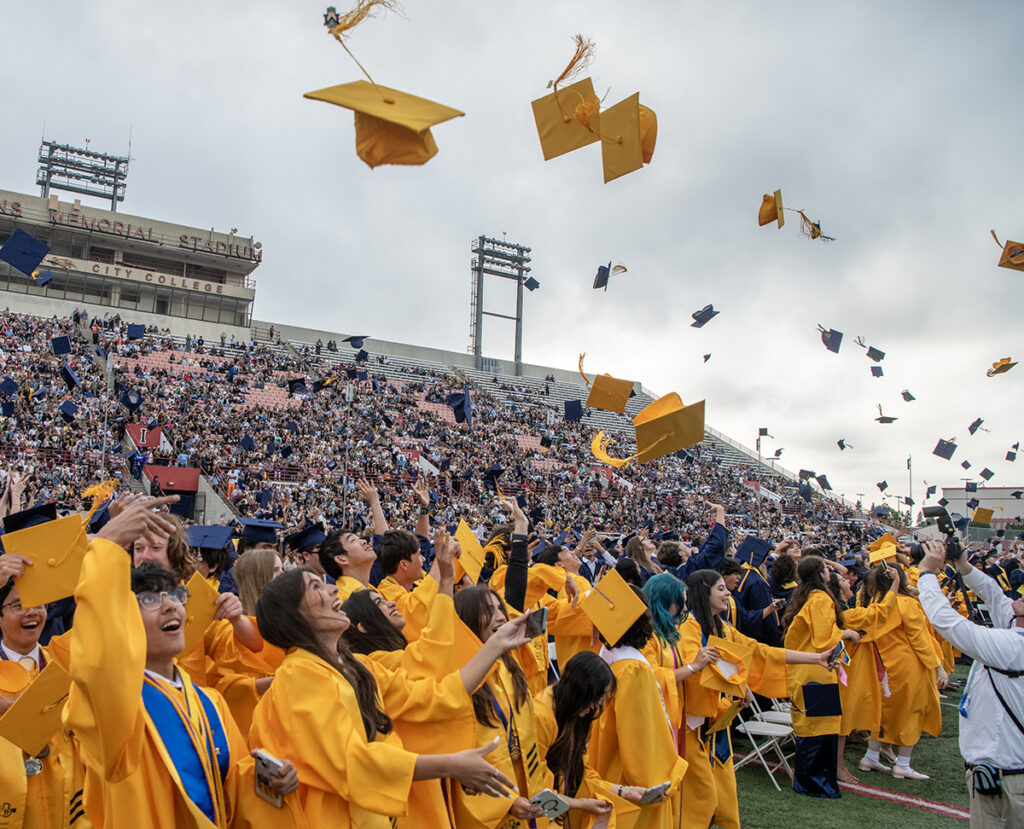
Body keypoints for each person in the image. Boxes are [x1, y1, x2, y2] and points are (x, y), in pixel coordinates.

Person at [63, 495, 300, 827]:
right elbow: (99, 656)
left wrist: (269, 781)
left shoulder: (210, 703)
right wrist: (107, 542)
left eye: (175, 595)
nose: (171, 606)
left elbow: (231, 778)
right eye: (149, 599)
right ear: (124, 617)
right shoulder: (117, 703)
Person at [249, 569, 514, 827]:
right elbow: (351, 762)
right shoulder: (298, 675)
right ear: (293, 615)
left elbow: (433, 697)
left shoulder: (358, 667)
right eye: (315, 587)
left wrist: (496, 644)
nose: (331, 589)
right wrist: (449, 765)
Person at [918, 539, 1024, 827]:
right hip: (1007, 771)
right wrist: (962, 564)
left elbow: (947, 621)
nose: (1018, 594)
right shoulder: (1015, 632)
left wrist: (927, 573)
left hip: (1007, 780)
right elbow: (994, 596)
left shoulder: (1013, 647)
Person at [0, 554, 92, 829]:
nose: (32, 612)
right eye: (18, 605)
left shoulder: (63, 660)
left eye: (37, 605)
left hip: (69, 809)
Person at [782, 555, 862, 798]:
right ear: (819, 573)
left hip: (809, 671)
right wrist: (846, 632)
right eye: (826, 568)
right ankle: (811, 784)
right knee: (817, 731)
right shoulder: (820, 599)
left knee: (815, 730)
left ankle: (811, 782)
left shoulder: (809, 597)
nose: (830, 571)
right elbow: (823, 639)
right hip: (816, 672)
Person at [857, 559, 945, 781]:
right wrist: (937, 667)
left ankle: (871, 756)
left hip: (884, 665)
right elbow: (920, 639)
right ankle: (903, 764)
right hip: (908, 666)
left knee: (884, 711)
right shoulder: (905, 603)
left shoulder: (878, 601)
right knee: (912, 712)